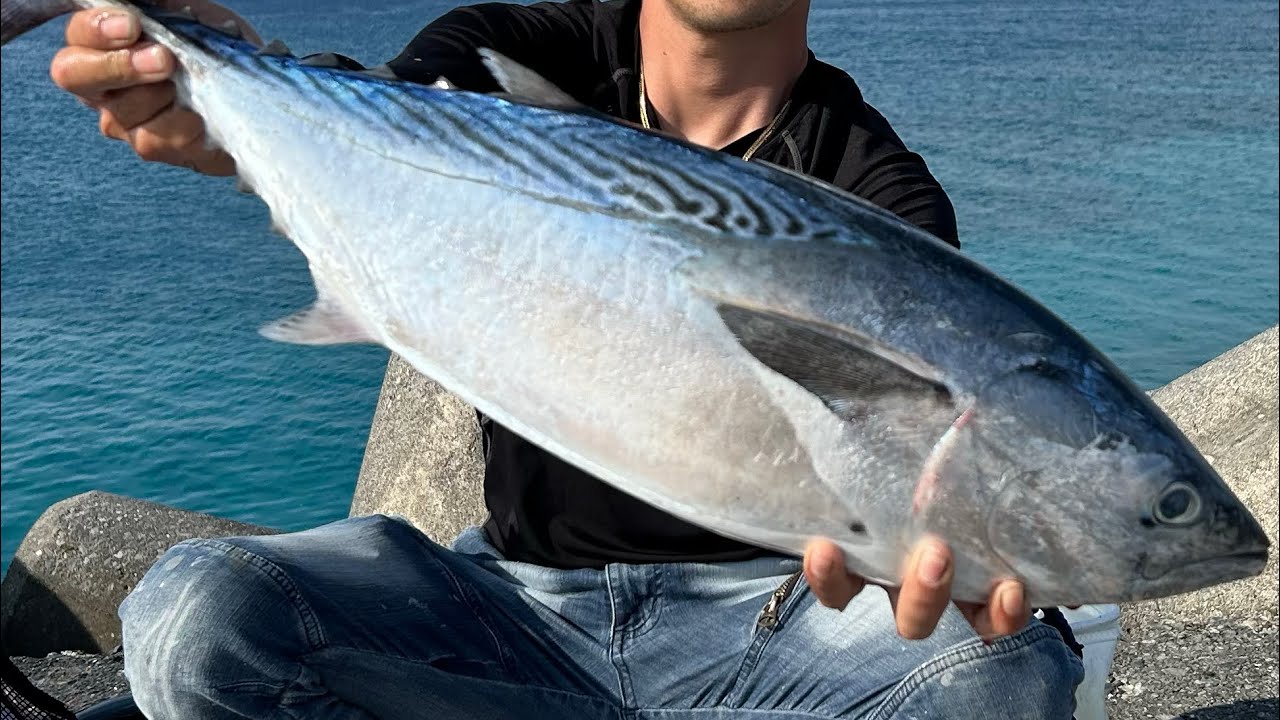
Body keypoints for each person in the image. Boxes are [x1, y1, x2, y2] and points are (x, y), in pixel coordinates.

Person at [50, 1, 1085, 718]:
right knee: (198, 616)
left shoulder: (883, 204)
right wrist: (216, 92)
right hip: (511, 608)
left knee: (1002, 675)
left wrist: (940, 560)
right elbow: (366, 130)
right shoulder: (519, 50)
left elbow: (920, 478)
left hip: (774, 630)